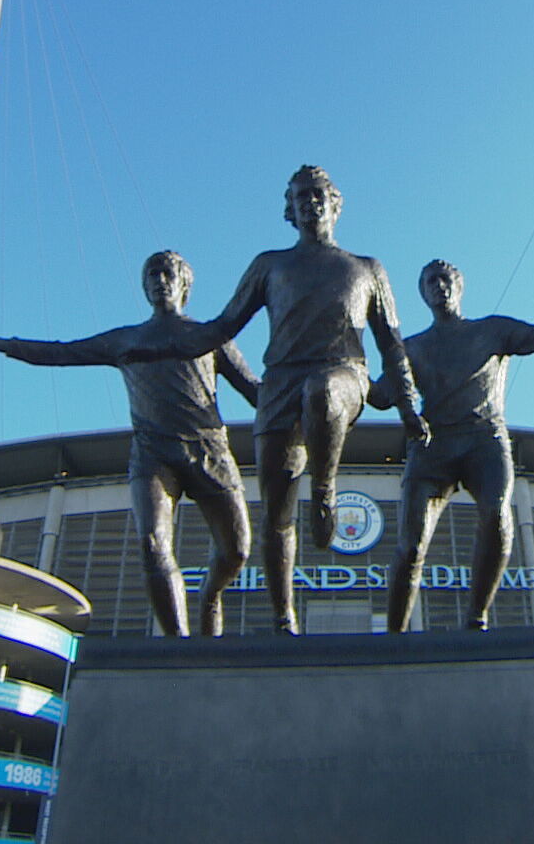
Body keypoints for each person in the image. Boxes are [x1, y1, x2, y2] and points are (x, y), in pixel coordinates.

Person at [123, 166, 428, 634]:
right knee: (276, 514)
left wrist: (407, 406)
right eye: (301, 196)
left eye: (319, 194)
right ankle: (284, 617)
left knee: (323, 393)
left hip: (344, 375)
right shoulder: (270, 265)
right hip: (280, 387)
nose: (311, 202)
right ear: (290, 209)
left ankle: (324, 489)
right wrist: (161, 343)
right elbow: (221, 328)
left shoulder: (367, 269)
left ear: (336, 203)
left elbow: (392, 344)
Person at [0, 251, 257, 638]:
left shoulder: (211, 336)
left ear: (185, 284)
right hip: (153, 455)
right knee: (153, 543)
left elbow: (254, 391)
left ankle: (210, 595)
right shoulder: (125, 339)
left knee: (237, 552)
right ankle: (177, 645)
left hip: (208, 451)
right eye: (151, 275)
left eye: (167, 273)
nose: (159, 281)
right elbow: (60, 353)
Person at [371, 259, 534, 632]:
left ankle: (476, 616)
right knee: (410, 546)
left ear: (460, 286)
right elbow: (381, 396)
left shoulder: (492, 331)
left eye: (445, 279)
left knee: (496, 514)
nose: (439, 286)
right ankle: (394, 635)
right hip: (433, 446)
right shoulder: (412, 348)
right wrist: (349, 368)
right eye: (430, 282)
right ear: (422, 294)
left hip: (483, 439)